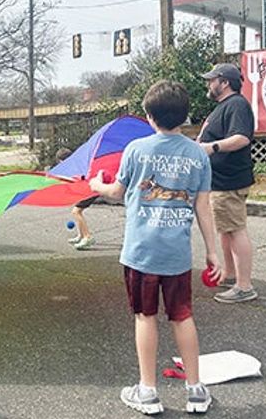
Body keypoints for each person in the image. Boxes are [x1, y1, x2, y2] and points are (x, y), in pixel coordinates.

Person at [89, 80, 221, 415]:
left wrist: (96, 186)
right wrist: (212, 251)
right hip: (177, 256)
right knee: (182, 316)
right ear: (185, 115)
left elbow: (117, 192)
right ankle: (195, 390)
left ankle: (147, 391)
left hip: (140, 253)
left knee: (145, 317)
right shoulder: (197, 154)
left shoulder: (136, 150)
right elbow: (203, 208)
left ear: (149, 116)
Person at [197, 63, 257, 304]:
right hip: (220, 182)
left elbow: (242, 137)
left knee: (235, 230)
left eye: (212, 80)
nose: (208, 84)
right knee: (226, 229)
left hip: (229, 181)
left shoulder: (237, 105)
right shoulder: (224, 107)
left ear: (224, 82)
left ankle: (245, 286)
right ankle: (231, 274)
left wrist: (212, 147)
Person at [54, 148, 97, 250]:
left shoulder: (76, 166)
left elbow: (80, 179)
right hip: (90, 188)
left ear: (63, 160)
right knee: (78, 211)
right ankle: (81, 236)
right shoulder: (77, 163)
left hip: (91, 189)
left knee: (76, 212)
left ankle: (87, 237)